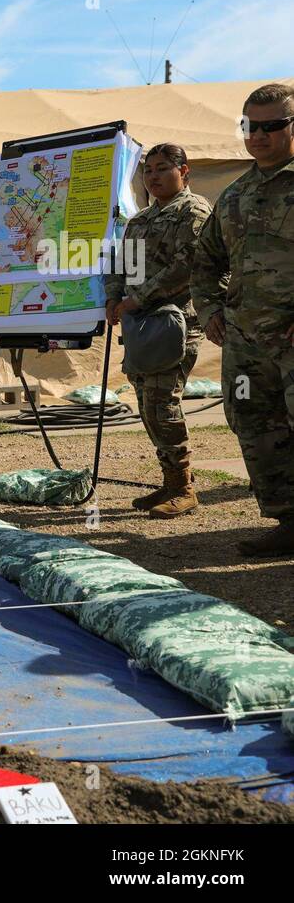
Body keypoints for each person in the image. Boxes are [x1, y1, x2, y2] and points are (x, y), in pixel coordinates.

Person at [192, 82, 294, 557]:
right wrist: (211, 310)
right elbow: (205, 260)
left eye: (272, 126)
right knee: (255, 425)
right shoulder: (235, 194)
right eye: (250, 125)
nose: (259, 135)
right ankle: (288, 520)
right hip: (247, 342)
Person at [105, 144, 211, 519]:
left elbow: (188, 266)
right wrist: (113, 297)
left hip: (175, 321)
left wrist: (138, 299)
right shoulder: (140, 220)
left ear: (184, 171)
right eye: (148, 170)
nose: (153, 176)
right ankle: (169, 482)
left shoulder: (193, 211)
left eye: (162, 169)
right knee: (147, 404)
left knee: (163, 403)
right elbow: (122, 263)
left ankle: (183, 488)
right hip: (140, 324)